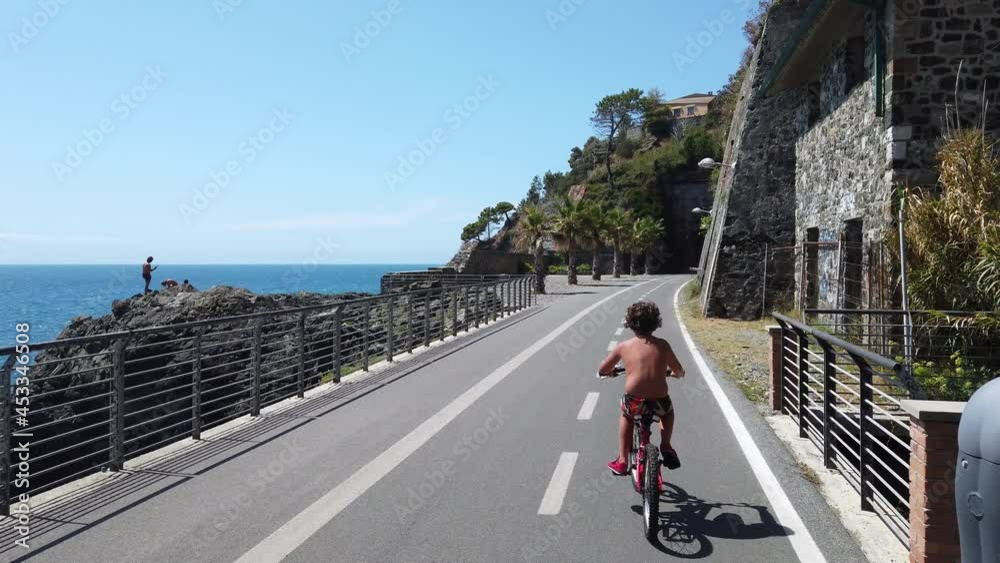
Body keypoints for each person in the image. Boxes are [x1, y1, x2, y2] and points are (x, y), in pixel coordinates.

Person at [598, 301, 685, 479]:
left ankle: (623, 460)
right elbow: (679, 370)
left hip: (635, 401)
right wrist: (675, 373)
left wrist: (610, 372)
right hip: (659, 400)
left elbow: (603, 369)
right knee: (667, 414)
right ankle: (666, 446)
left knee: (626, 416)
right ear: (656, 323)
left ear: (630, 323)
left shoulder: (624, 346)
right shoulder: (663, 345)